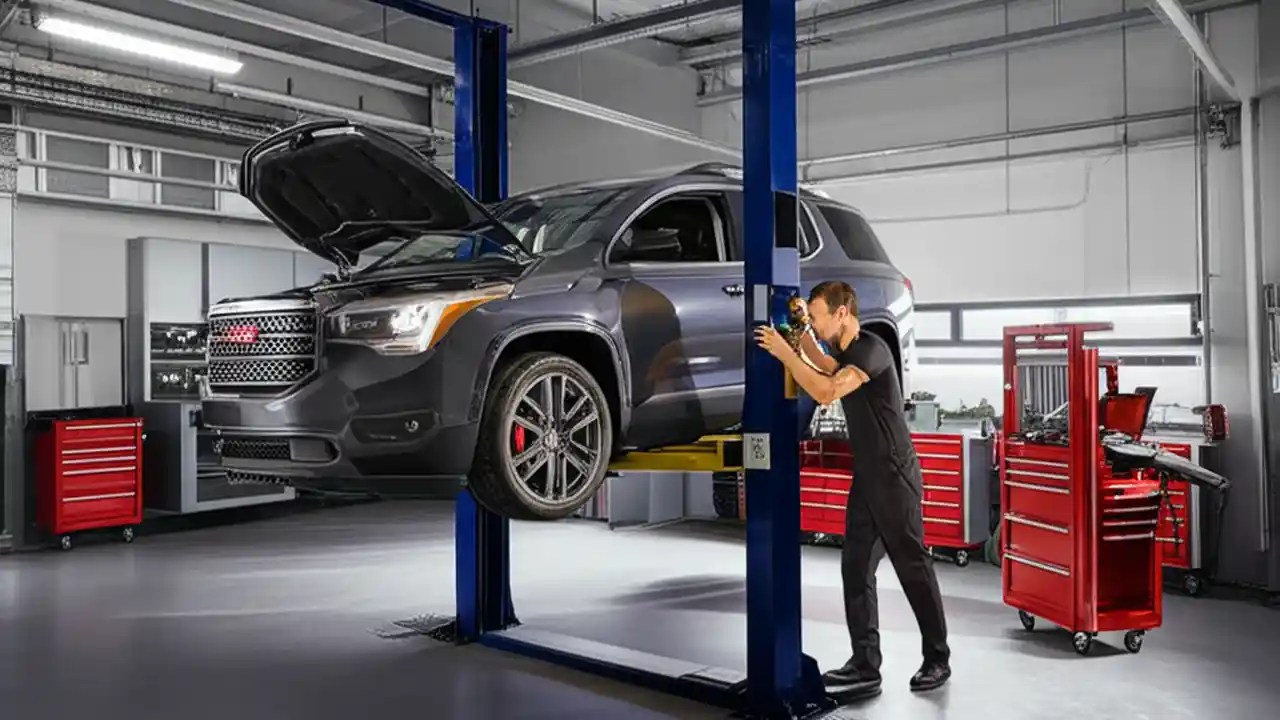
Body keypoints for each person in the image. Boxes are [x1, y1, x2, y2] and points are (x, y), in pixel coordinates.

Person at [754, 280, 951, 699]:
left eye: (819, 316)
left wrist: (785, 352)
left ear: (841, 313)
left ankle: (938, 658)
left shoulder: (872, 349)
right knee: (855, 567)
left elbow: (826, 390)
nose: (816, 324)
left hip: (894, 476)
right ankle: (865, 665)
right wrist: (800, 332)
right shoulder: (847, 353)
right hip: (868, 478)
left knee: (913, 567)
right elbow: (825, 365)